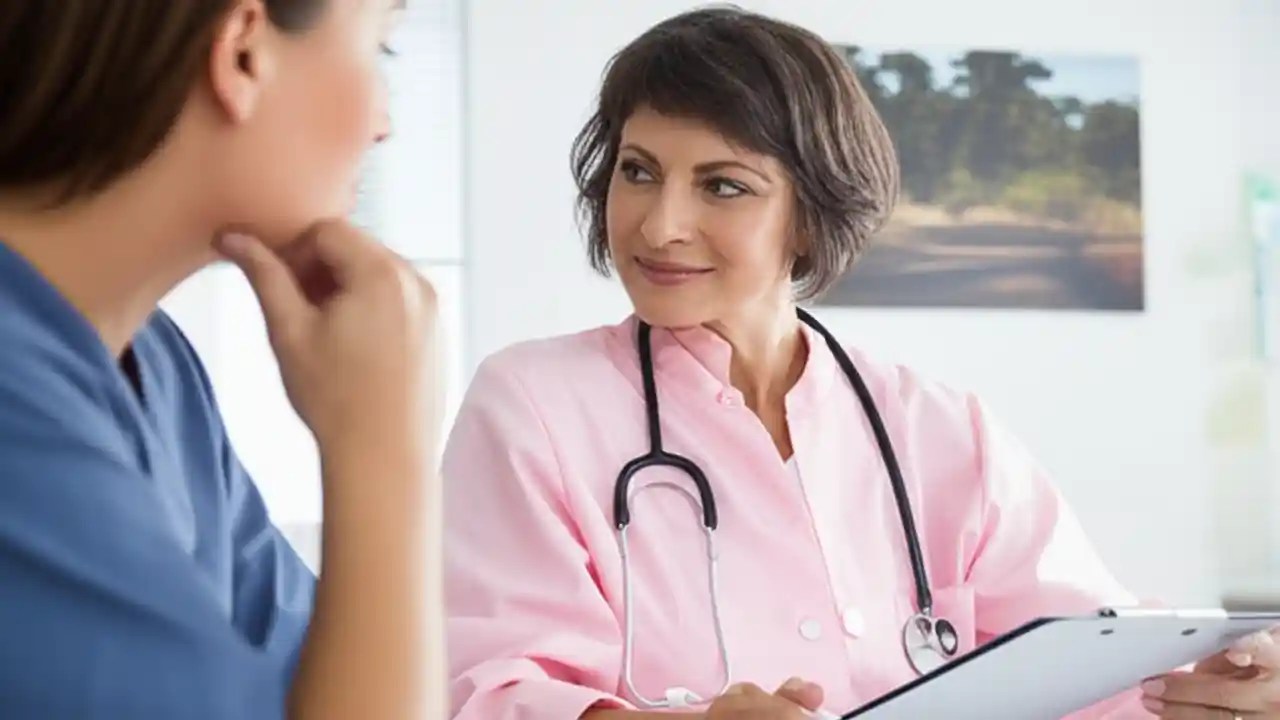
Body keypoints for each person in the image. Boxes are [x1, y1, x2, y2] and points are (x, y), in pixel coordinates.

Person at [441, 6, 1280, 720]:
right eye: (639, 172)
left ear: (810, 215)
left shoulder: (940, 429)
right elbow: (489, 690)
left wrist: (1204, 690)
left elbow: (1090, 665)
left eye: (722, 185)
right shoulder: (532, 405)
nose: (660, 225)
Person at [0, 1, 446, 718]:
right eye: (381, 51)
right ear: (243, 54)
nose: (383, 124)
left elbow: (323, 676)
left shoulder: (157, 365)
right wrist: (386, 450)